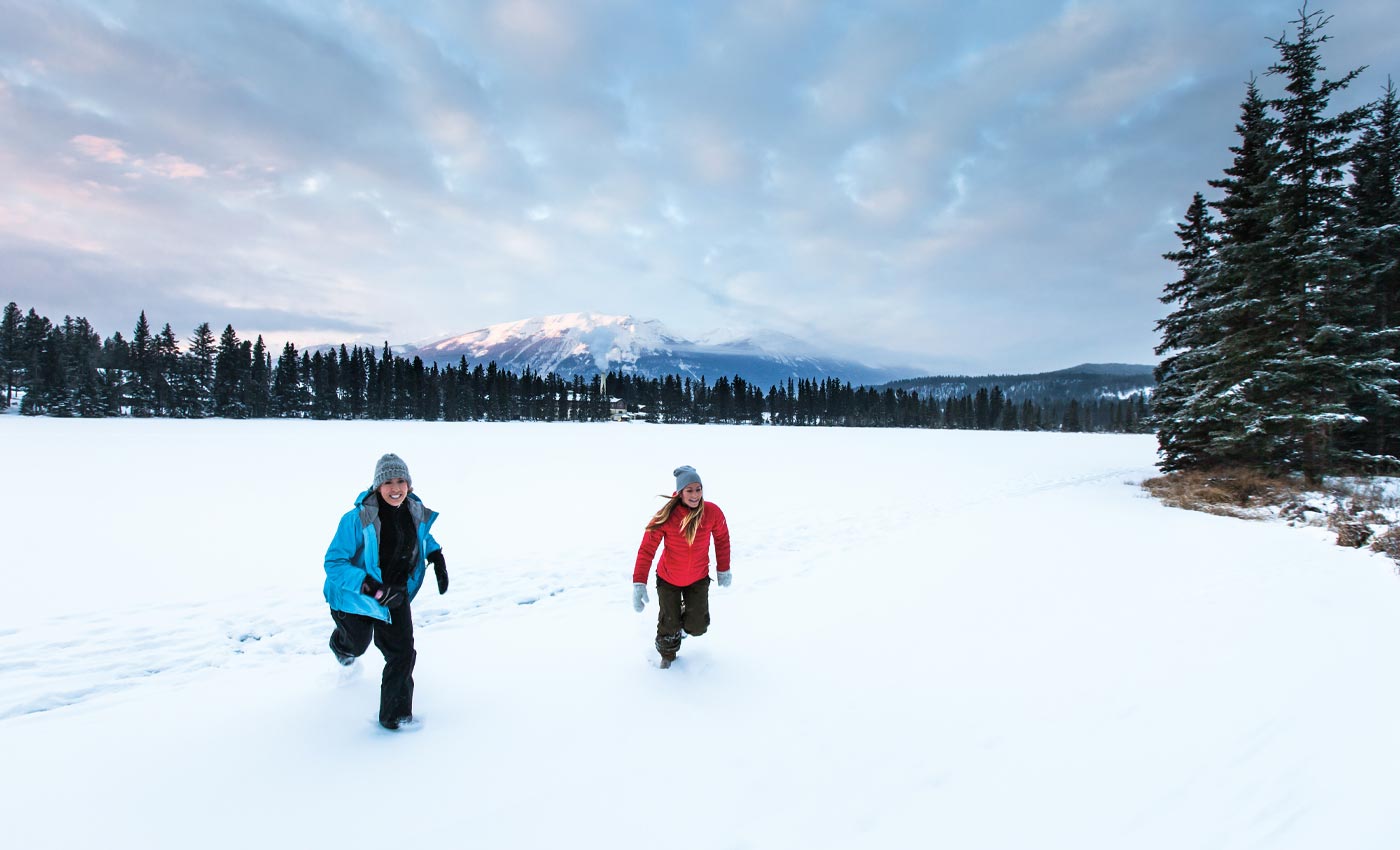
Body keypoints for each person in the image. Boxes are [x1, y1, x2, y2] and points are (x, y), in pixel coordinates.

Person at [323, 453, 448, 730]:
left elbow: (421, 535)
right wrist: (372, 588)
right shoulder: (357, 519)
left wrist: (435, 554)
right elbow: (334, 563)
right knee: (357, 645)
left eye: (401, 481)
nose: (395, 488)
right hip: (355, 598)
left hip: (395, 594)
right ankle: (341, 646)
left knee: (402, 653)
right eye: (388, 482)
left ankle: (397, 717)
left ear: (409, 485)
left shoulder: (413, 511)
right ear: (377, 486)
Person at [632, 465, 731, 668]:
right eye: (689, 490)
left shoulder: (712, 512)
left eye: (698, 489)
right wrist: (639, 583)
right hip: (669, 579)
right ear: (680, 492)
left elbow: (722, 539)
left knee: (698, 626)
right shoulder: (666, 515)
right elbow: (647, 549)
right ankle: (667, 656)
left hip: (698, 578)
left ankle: (683, 623)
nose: (695, 495)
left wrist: (723, 568)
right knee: (669, 624)